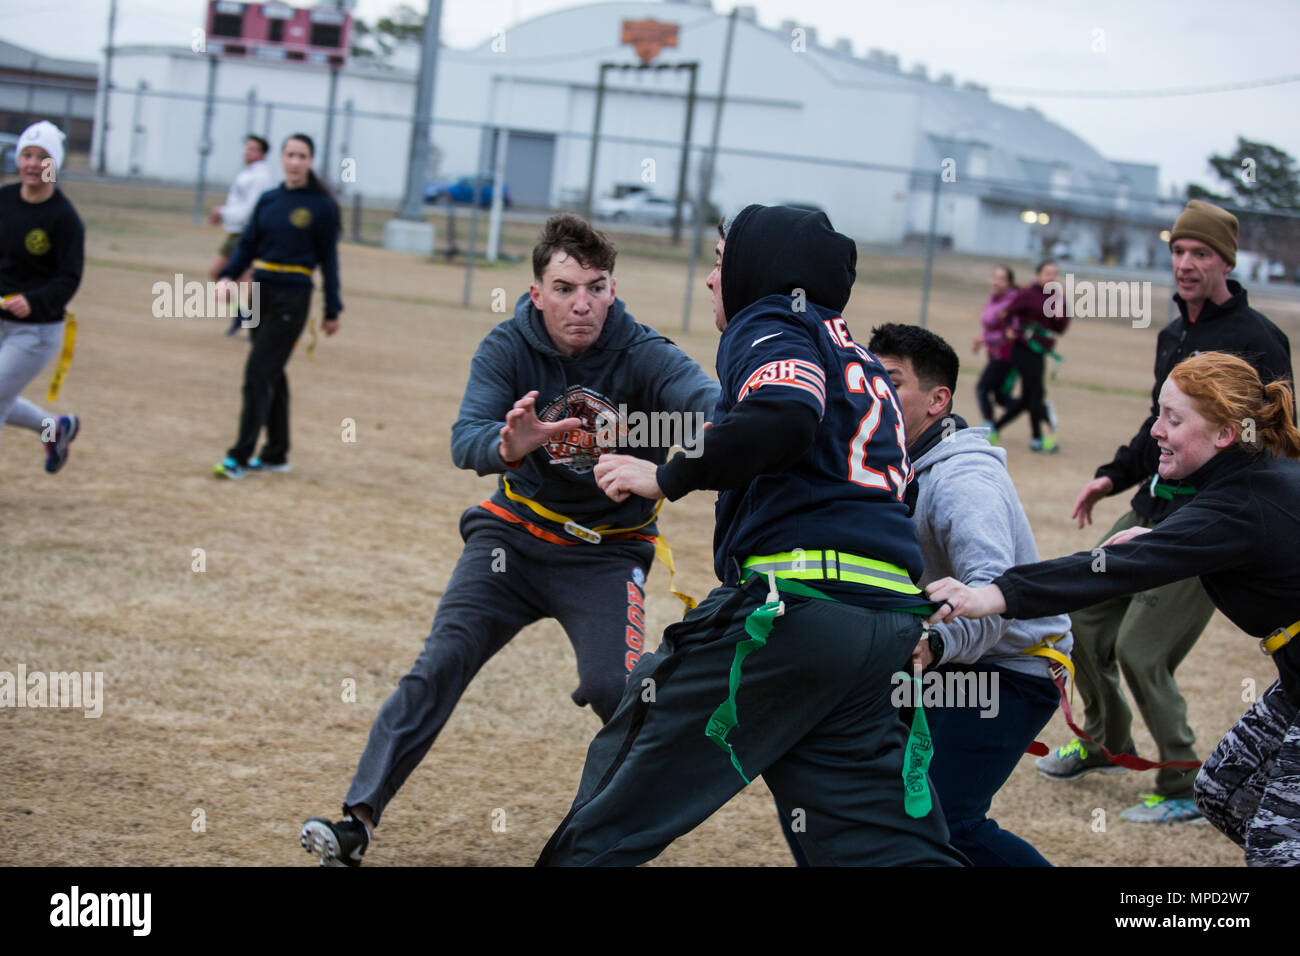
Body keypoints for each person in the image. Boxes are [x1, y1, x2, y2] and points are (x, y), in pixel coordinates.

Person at [535, 205, 965, 867]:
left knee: (631, 771)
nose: (711, 280)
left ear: (759, 268)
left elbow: (784, 417)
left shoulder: (771, 319)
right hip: (882, 627)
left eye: (719, 260)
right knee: (879, 843)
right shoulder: (866, 365)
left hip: (794, 608)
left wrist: (668, 475)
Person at [299, 213, 719, 866]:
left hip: (606, 556)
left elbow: (707, 406)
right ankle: (355, 821)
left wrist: (682, 456)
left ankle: (614, 838)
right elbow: (464, 436)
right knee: (440, 664)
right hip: (512, 541)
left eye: (597, 287)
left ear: (613, 289)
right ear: (536, 292)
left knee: (619, 686)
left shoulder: (643, 354)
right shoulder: (507, 347)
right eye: (564, 287)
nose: (582, 303)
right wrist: (507, 443)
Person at [928, 351, 1300, 865]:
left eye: (1174, 419)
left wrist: (993, 594)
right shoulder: (1254, 478)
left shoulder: (1241, 503)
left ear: (1224, 434)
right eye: (1158, 414)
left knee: (1278, 845)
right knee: (1221, 787)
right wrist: (1164, 535)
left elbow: (1107, 570)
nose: (1156, 431)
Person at [1039, 199, 1292, 823]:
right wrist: (1111, 476)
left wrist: (1223, 517)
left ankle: (1181, 782)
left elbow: (1266, 441)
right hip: (1151, 504)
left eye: (1200, 253)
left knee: (1139, 650)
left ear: (1225, 262)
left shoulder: (1258, 340)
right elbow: (1160, 423)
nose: (1185, 263)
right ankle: (1106, 742)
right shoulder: (1174, 331)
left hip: (1209, 523)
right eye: (1178, 251)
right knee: (1085, 620)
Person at [867, 322, 1073, 866]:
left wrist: (933, 648)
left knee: (948, 819)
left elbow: (995, 600)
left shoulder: (962, 482)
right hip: (947, 660)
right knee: (873, 795)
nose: (873, 392)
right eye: (868, 378)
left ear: (938, 401)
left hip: (1013, 667)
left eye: (890, 381)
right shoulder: (889, 462)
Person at [212, 133, 341, 480]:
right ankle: (276, 453)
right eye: (290, 155)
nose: (295, 162)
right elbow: (247, 243)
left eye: (302, 156)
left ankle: (238, 456)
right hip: (260, 291)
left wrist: (332, 308)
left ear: (310, 161)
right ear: (281, 159)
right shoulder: (269, 200)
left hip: (293, 296)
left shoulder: (321, 207)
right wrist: (228, 275)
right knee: (272, 372)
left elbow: (329, 260)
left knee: (257, 372)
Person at [0, 120, 82, 473]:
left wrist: (33, 301)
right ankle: (55, 428)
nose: (33, 164)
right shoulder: (3, 200)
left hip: (34, 331)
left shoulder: (64, 219)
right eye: (27, 155)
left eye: (43, 156)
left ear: (56, 164)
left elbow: (69, 279)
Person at [992, 260, 1067, 453]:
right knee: (1036, 394)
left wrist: (1060, 317)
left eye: (1054, 274)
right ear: (1038, 275)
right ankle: (1037, 438)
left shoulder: (1057, 298)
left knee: (1028, 398)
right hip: (1023, 348)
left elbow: (1060, 329)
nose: (1051, 277)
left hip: (1039, 352)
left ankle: (994, 429)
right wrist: (1008, 329)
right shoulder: (1027, 294)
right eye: (1047, 273)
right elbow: (1006, 315)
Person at [207, 134, 276, 336]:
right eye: (247, 148)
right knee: (218, 273)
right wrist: (224, 213)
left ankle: (253, 320)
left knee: (241, 281)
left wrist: (223, 213)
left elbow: (250, 209)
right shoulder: (247, 173)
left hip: (249, 232)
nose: (248, 152)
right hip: (236, 230)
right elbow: (238, 204)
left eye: (253, 149)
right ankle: (242, 314)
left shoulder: (260, 177)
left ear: (262, 154)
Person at [972, 264, 1020, 442]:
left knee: (982, 388)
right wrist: (982, 339)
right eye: (995, 277)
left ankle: (989, 428)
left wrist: (984, 340)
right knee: (1001, 397)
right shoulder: (994, 299)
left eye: (1001, 278)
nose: (996, 282)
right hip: (995, 352)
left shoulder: (1011, 303)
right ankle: (1034, 406)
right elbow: (990, 326)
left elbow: (1009, 333)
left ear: (1009, 283)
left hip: (1006, 354)